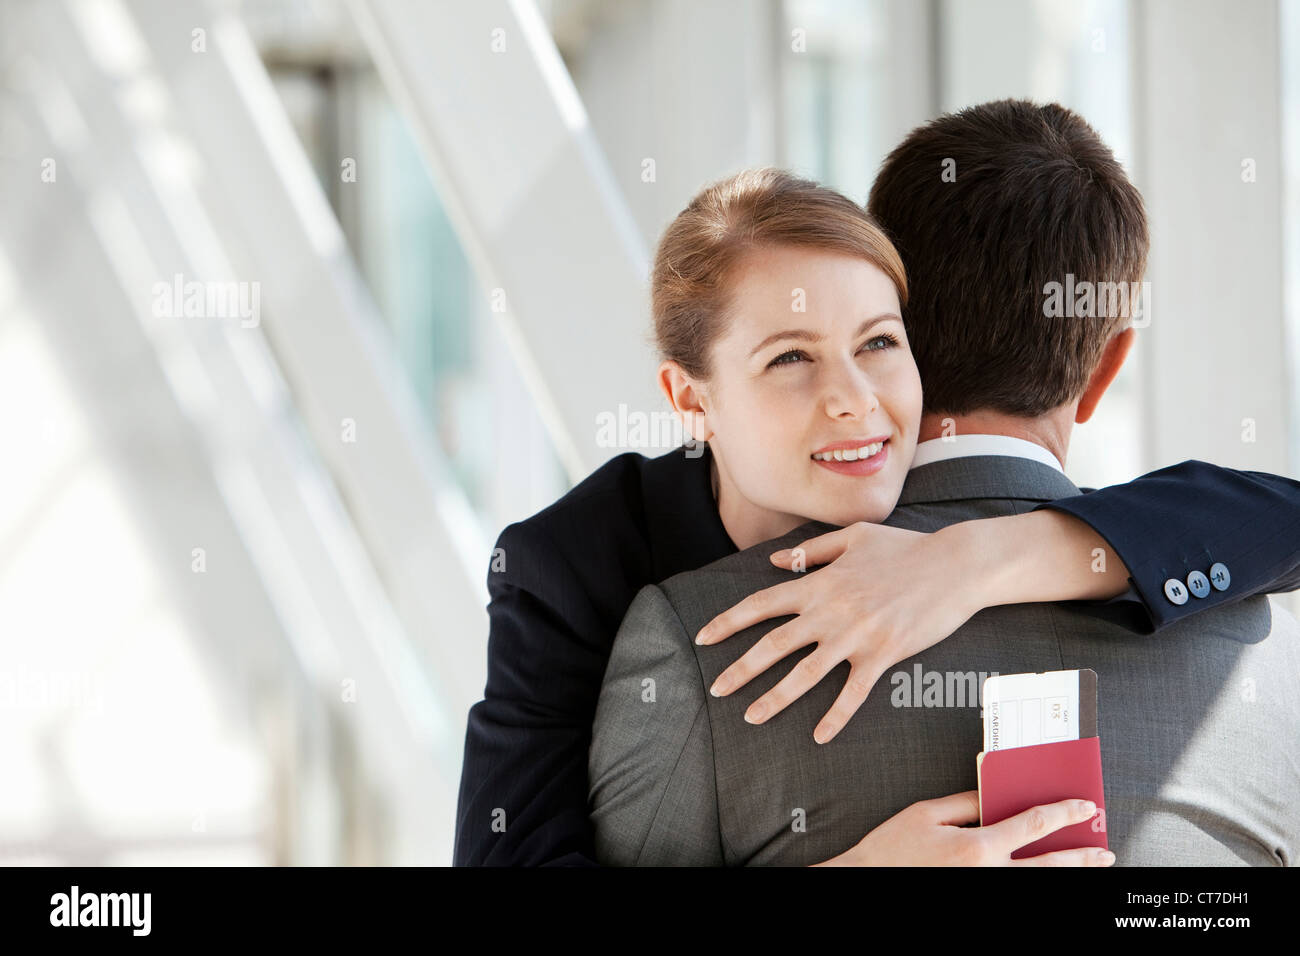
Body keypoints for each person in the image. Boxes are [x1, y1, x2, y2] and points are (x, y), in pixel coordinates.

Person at [454, 121, 1300, 870]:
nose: (854, 398)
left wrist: (971, 561)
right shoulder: (576, 576)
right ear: (690, 398)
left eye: (880, 342)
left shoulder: (973, 523)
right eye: (790, 357)